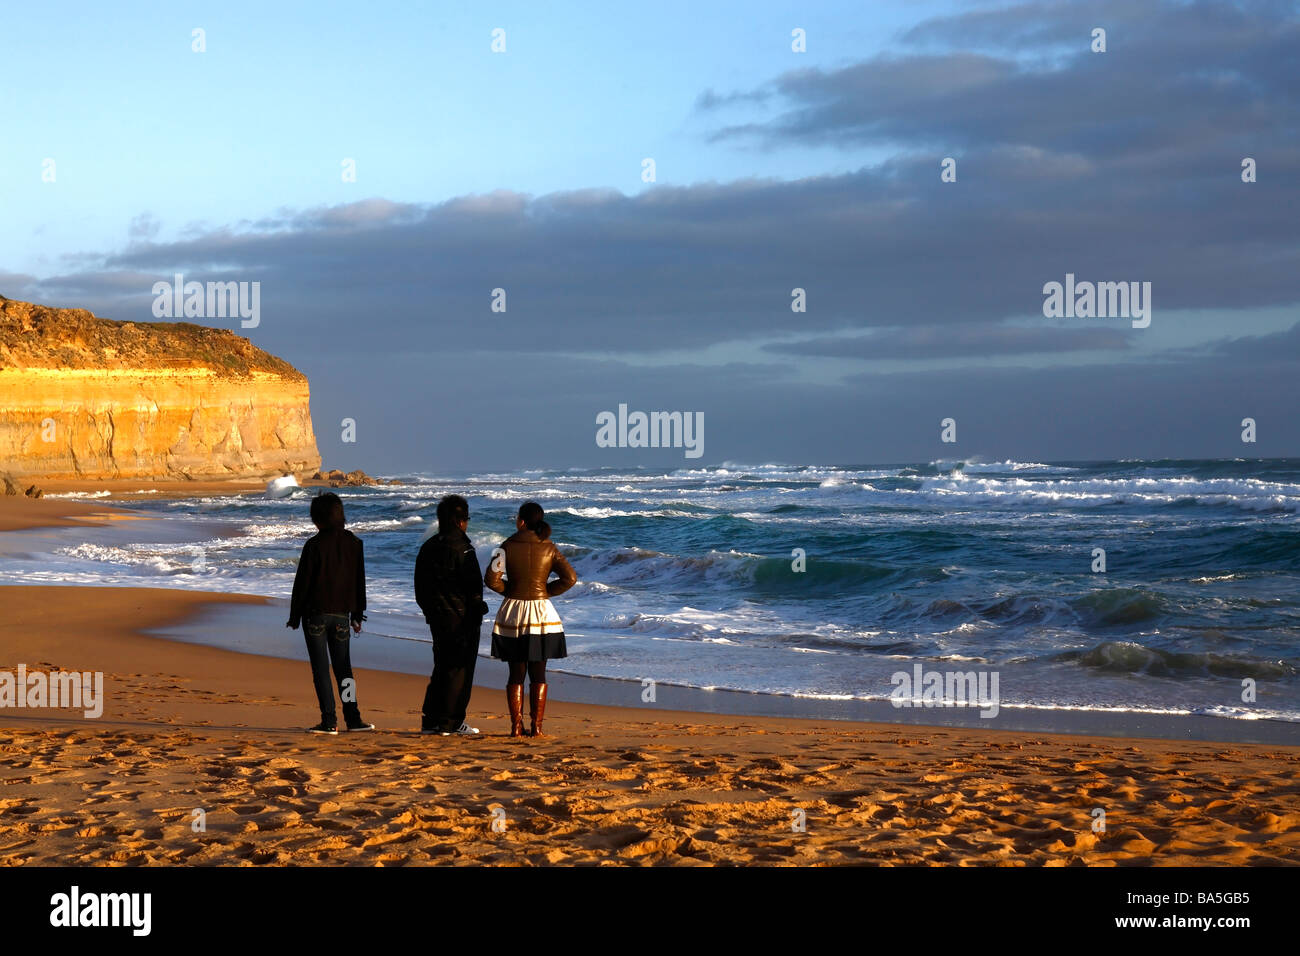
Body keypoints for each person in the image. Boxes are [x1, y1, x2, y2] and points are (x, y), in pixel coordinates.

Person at [484, 502, 577, 737]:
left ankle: (516, 727)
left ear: (521, 521)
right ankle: (537, 727)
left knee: (516, 672)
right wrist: (545, 592)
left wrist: (511, 590)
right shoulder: (550, 547)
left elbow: (491, 579)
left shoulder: (505, 547)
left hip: (513, 611)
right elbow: (570, 578)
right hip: (541, 612)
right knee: (539, 672)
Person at [287, 492, 374, 734]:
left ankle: (329, 721)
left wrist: (294, 616)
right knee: (344, 669)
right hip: (342, 615)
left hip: (314, 614)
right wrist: (358, 614)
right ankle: (354, 719)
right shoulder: (355, 543)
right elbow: (359, 581)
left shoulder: (313, 545)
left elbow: (302, 584)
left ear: (317, 519)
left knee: (321, 670)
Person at [414, 494, 489, 736]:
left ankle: (431, 720)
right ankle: (452, 722)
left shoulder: (428, 546)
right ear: (459, 521)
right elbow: (474, 588)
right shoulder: (464, 549)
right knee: (460, 670)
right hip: (462, 619)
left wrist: (429, 611)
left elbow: (420, 587)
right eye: (466, 518)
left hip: (437, 617)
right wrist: (477, 611)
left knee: (441, 667)